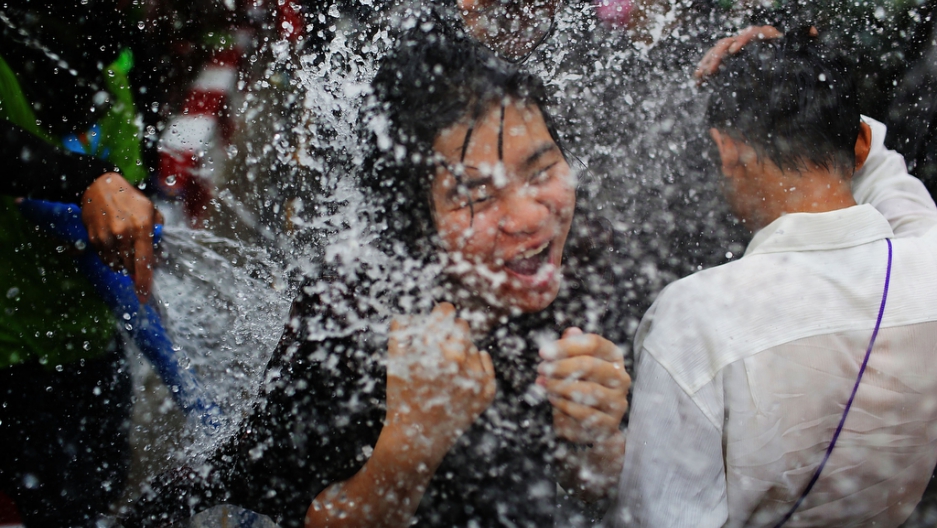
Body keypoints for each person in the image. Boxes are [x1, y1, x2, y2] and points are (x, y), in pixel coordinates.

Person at [124, 16, 630, 528]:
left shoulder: (587, 261)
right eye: (477, 194)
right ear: (415, 221)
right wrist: (410, 444)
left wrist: (592, 439)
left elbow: (592, 491)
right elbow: (286, 510)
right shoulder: (351, 317)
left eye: (542, 170)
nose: (530, 218)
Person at [606, 27, 937, 527]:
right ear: (860, 142)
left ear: (726, 151)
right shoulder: (928, 262)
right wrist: (811, 85)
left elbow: (658, 517)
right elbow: (881, 164)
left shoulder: (696, 315)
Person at [1, 2, 161, 524]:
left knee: (97, 496)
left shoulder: (107, 71)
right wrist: (80, 189)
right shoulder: (8, 71)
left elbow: (134, 184)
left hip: (92, 340)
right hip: (12, 354)